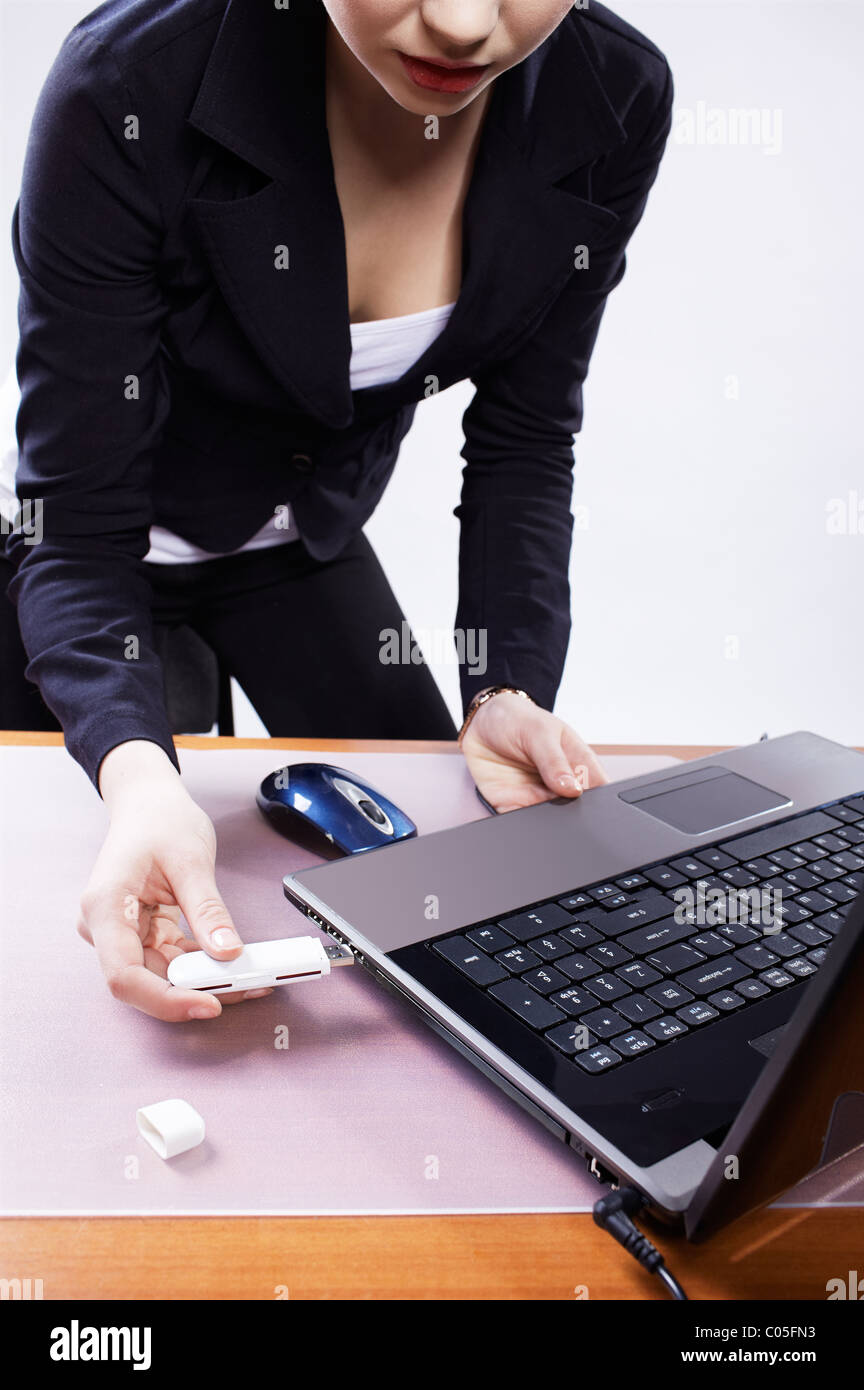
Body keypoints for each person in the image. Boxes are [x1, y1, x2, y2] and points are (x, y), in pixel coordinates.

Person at [2, 0, 673, 1021]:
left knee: (452, 900)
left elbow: (524, 442)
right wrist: (139, 778)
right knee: (105, 948)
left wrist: (505, 687)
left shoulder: (613, 96)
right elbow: (78, 525)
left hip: (300, 542)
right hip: (97, 571)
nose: (457, 24)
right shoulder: (129, 82)